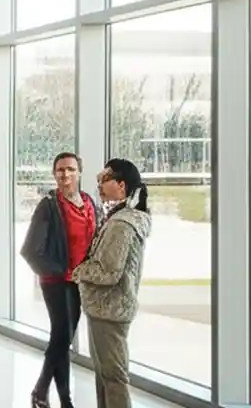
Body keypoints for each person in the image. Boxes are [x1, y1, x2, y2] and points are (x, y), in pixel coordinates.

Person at [21, 152, 100, 408]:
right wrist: (55, 270)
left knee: (62, 339)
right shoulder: (49, 205)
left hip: (81, 281)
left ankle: (41, 390)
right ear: (54, 174)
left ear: (79, 172)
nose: (65, 174)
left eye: (70, 169)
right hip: (56, 280)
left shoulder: (88, 202)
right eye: (60, 170)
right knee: (62, 336)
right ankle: (64, 400)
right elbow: (30, 249)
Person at [73, 158, 152, 408]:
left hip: (110, 310)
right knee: (105, 376)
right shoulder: (118, 218)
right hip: (105, 309)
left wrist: (79, 270)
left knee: (113, 377)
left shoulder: (121, 224)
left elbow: (108, 272)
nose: (99, 183)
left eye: (105, 179)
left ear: (122, 185)